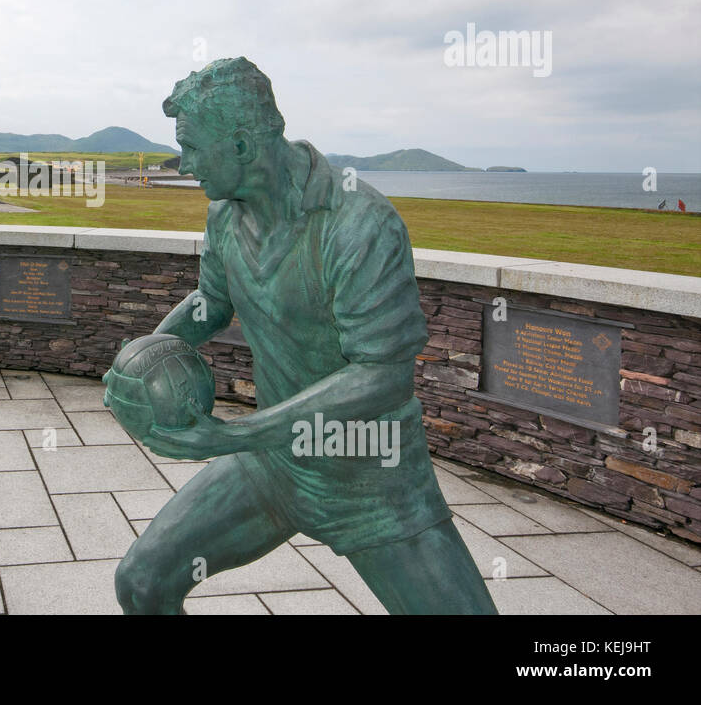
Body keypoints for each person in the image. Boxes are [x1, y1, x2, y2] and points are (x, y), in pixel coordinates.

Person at [113, 57, 496, 614]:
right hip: (275, 463)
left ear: (242, 147)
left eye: (192, 148)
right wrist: (139, 358)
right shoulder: (225, 213)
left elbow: (382, 377)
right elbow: (211, 304)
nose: (184, 163)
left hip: (369, 471)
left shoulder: (359, 223)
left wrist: (235, 435)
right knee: (143, 581)